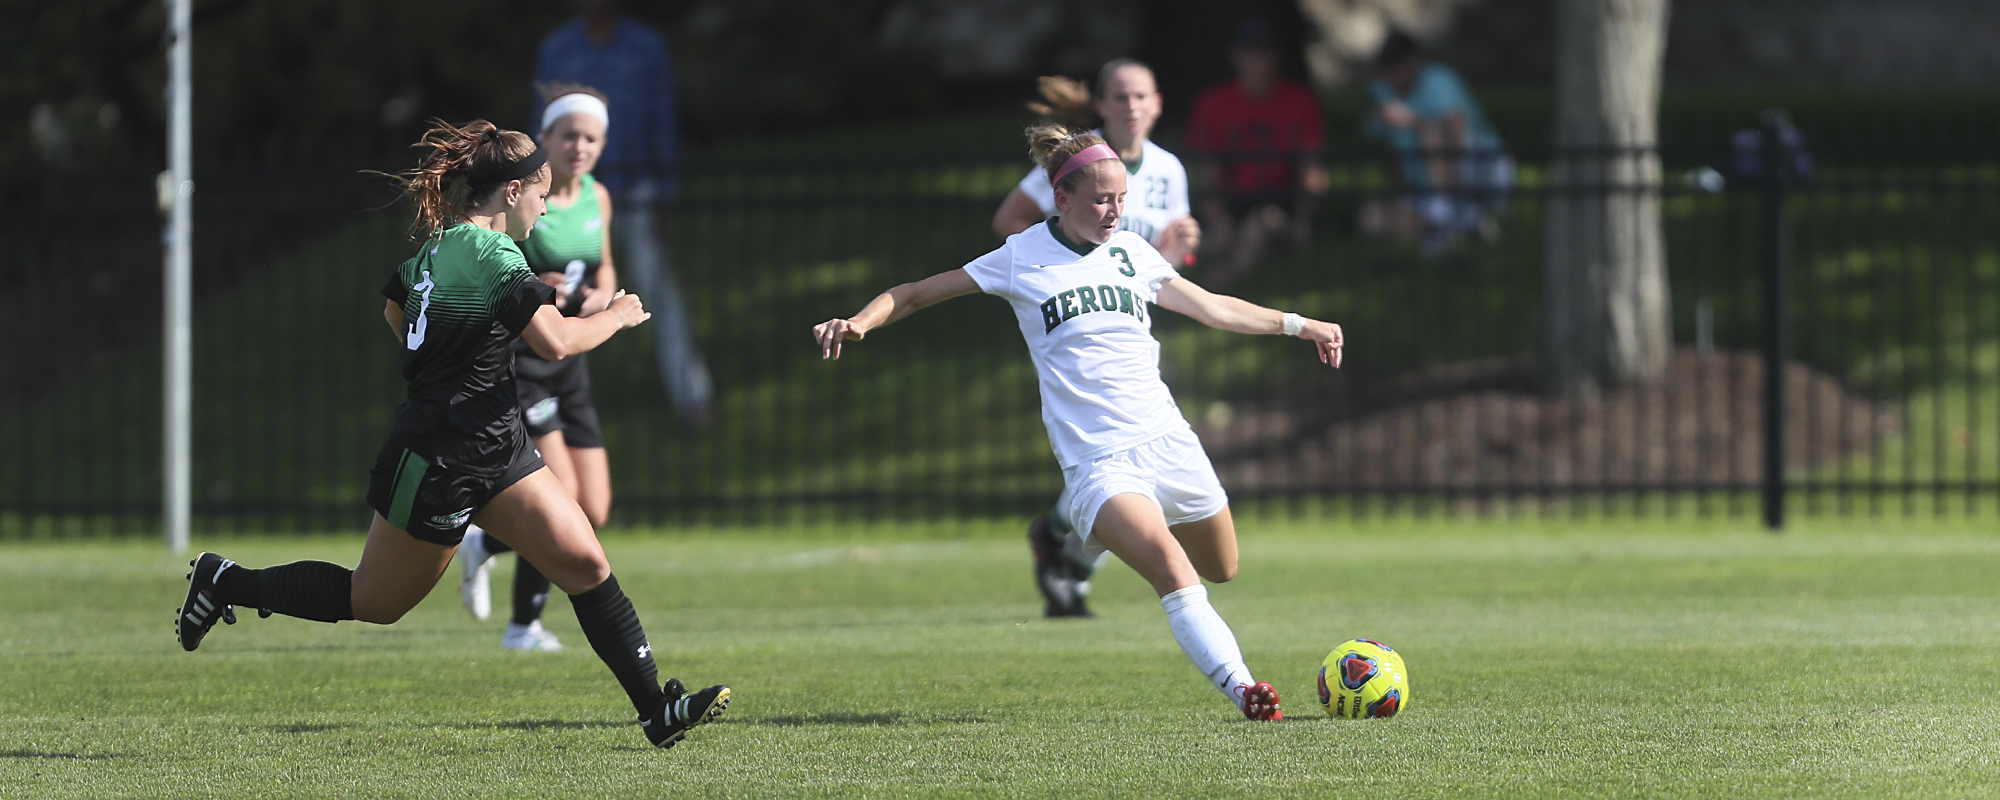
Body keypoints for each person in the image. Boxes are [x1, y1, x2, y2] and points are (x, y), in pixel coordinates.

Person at [176, 119, 730, 750]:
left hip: (497, 443)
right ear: (515, 191)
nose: (546, 209)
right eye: (543, 195)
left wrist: (445, 358)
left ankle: (657, 709)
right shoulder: (493, 255)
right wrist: (616, 315)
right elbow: (554, 344)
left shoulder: (438, 248)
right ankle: (227, 582)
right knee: (375, 601)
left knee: (583, 561)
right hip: (438, 455)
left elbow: (394, 306)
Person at [812, 123, 1345, 721]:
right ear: (1062, 201)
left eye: (1121, 198)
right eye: (1101, 199)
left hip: (1168, 440)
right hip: (1099, 462)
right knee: (1172, 570)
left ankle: (1094, 551)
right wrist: (859, 321)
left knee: (1222, 568)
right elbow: (913, 293)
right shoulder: (1020, 257)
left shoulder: (1133, 253)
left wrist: (1301, 324)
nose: (1115, 210)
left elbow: (1215, 308)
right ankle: (1246, 690)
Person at [992, 59, 1199, 618]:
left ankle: (1059, 543)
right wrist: (1059, 267)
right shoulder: (1077, 163)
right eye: (1120, 96)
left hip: (1131, 326)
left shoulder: (1168, 170)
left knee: (1132, 470)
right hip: (1074, 324)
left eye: (1142, 96)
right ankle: (1068, 564)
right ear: (1102, 106)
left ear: (1157, 104)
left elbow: (1164, 262)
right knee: (1121, 467)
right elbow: (1009, 220)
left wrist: (1180, 246)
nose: (1131, 106)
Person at [457, 85, 620, 653]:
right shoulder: (524, 203)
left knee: (594, 507)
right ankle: (523, 625)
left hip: (571, 358)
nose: (579, 146)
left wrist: (604, 304)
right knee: (564, 494)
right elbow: (509, 282)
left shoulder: (598, 199)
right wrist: (544, 295)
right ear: (545, 139)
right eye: (568, 135)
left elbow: (601, 279)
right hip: (528, 357)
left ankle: (482, 545)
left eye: (591, 137)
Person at [536, 0, 712, 426]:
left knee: (655, 290)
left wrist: (664, 192)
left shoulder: (645, 46)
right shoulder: (558, 48)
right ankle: (556, 403)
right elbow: (540, 127)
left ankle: (692, 398)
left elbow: (661, 120)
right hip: (571, 195)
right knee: (560, 294)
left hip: (636, 189)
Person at [1186, 19, 1328, 288]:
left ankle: (1219, 285)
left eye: (1266, 53)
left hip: (1281, 208)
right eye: (1251, 53)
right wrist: (1218, 217)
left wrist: (1305, 214)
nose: (1259, 62)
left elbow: (1312, 167)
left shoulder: (1300, 101)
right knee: (1208, 237)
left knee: (1260, 224)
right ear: (1236, 57)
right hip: (1232, 205)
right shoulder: (1214, 104)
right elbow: (1208, 171)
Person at [1359, 30, 1513, 251]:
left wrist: (1412, 121)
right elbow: (1383, 145)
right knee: (1370, 219)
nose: (1394, 79)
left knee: (1434, 133)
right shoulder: (1381, 91)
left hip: (1476, 172)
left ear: (1414, 64)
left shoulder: (1437, 79)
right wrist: (1380, 116)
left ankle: (1447, 216)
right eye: (1388, 73)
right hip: (1422, 192)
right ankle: (1460, 223)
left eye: (1398, 71)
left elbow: (1455, 128)